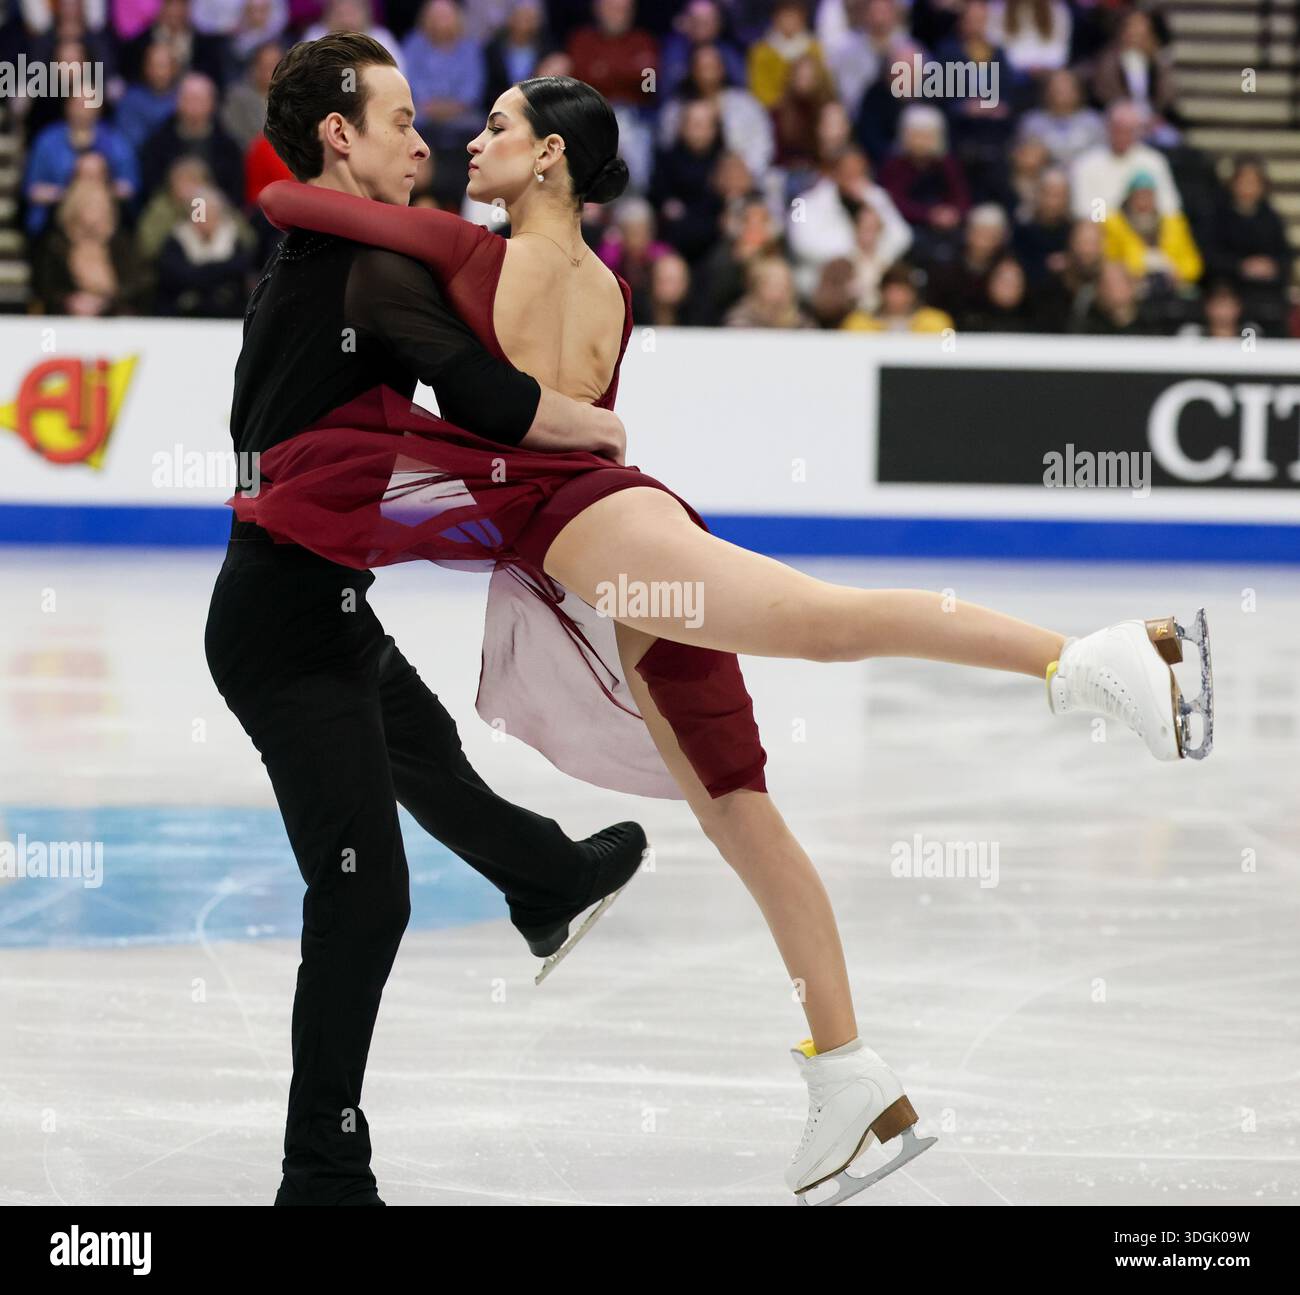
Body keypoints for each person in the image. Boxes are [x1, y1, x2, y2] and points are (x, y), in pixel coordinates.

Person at [248, 72, 1215, 1203]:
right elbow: (578, 417)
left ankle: (1091, 659)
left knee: (821, 621)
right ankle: (850, 1080)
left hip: (602, 535)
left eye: (499, 127)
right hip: (612, 549)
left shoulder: (468, 257)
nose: (469, 144)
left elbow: (293, 208)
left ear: (550, 157)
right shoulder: (605, 284)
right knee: (742, 816)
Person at [203, 35, 647, 1207]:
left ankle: (543, 879)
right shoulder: (360, 266)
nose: (426, 139)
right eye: (402, 119)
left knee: (424, 747)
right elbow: (486, 397)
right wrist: (596, 428)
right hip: (284, 617)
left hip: (313, 594)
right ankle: (322, 1168)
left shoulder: (334, 249)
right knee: (364, 892)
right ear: (341, 136)